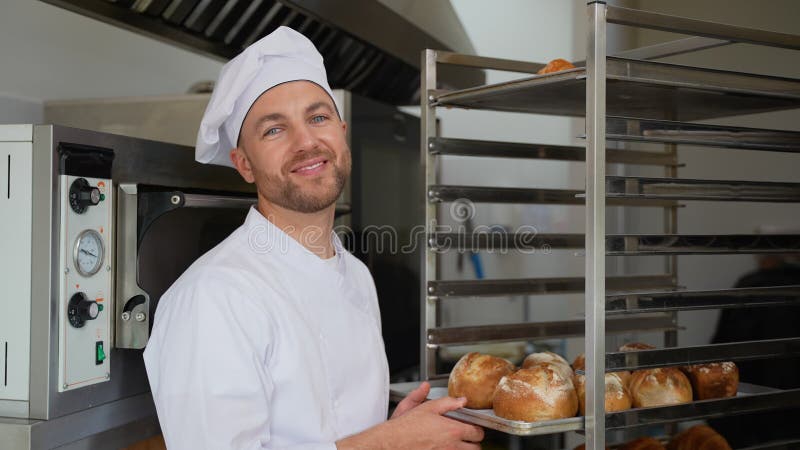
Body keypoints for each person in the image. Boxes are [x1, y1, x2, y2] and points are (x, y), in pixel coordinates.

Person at [143, 26, 483, 449]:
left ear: (341, 132)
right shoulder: (213, 297)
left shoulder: (356, 276)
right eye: (274, 129)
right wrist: (389, 443)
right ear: (244, 164)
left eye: (318, 117)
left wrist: (393, 428)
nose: (307, 142)